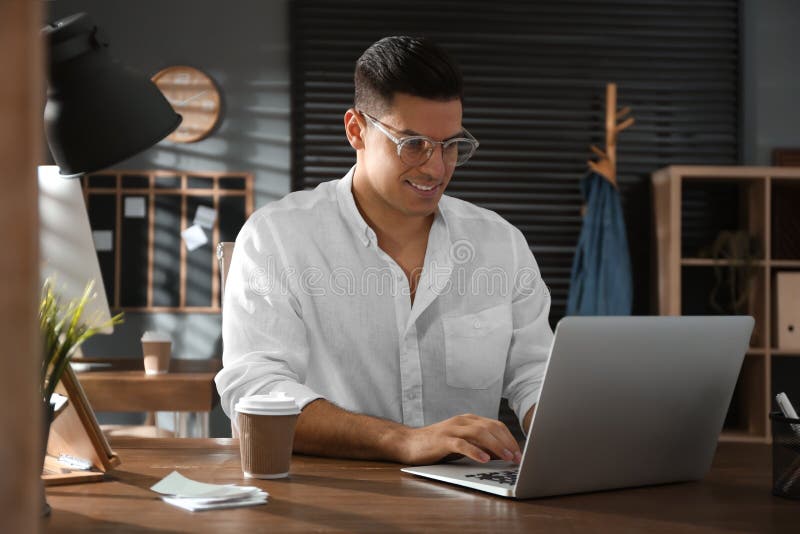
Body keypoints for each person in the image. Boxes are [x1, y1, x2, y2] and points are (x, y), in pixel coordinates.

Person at [215, 36, 553, 466]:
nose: (435, 168)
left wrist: (563, 433)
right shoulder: (277, 238)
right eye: (412, 144)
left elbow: (536, 372)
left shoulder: (500, 243)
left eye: (451, 145)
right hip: (330, 501)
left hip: (471, 500)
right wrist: (403, 441)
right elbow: (255, 392)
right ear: (356, 130)